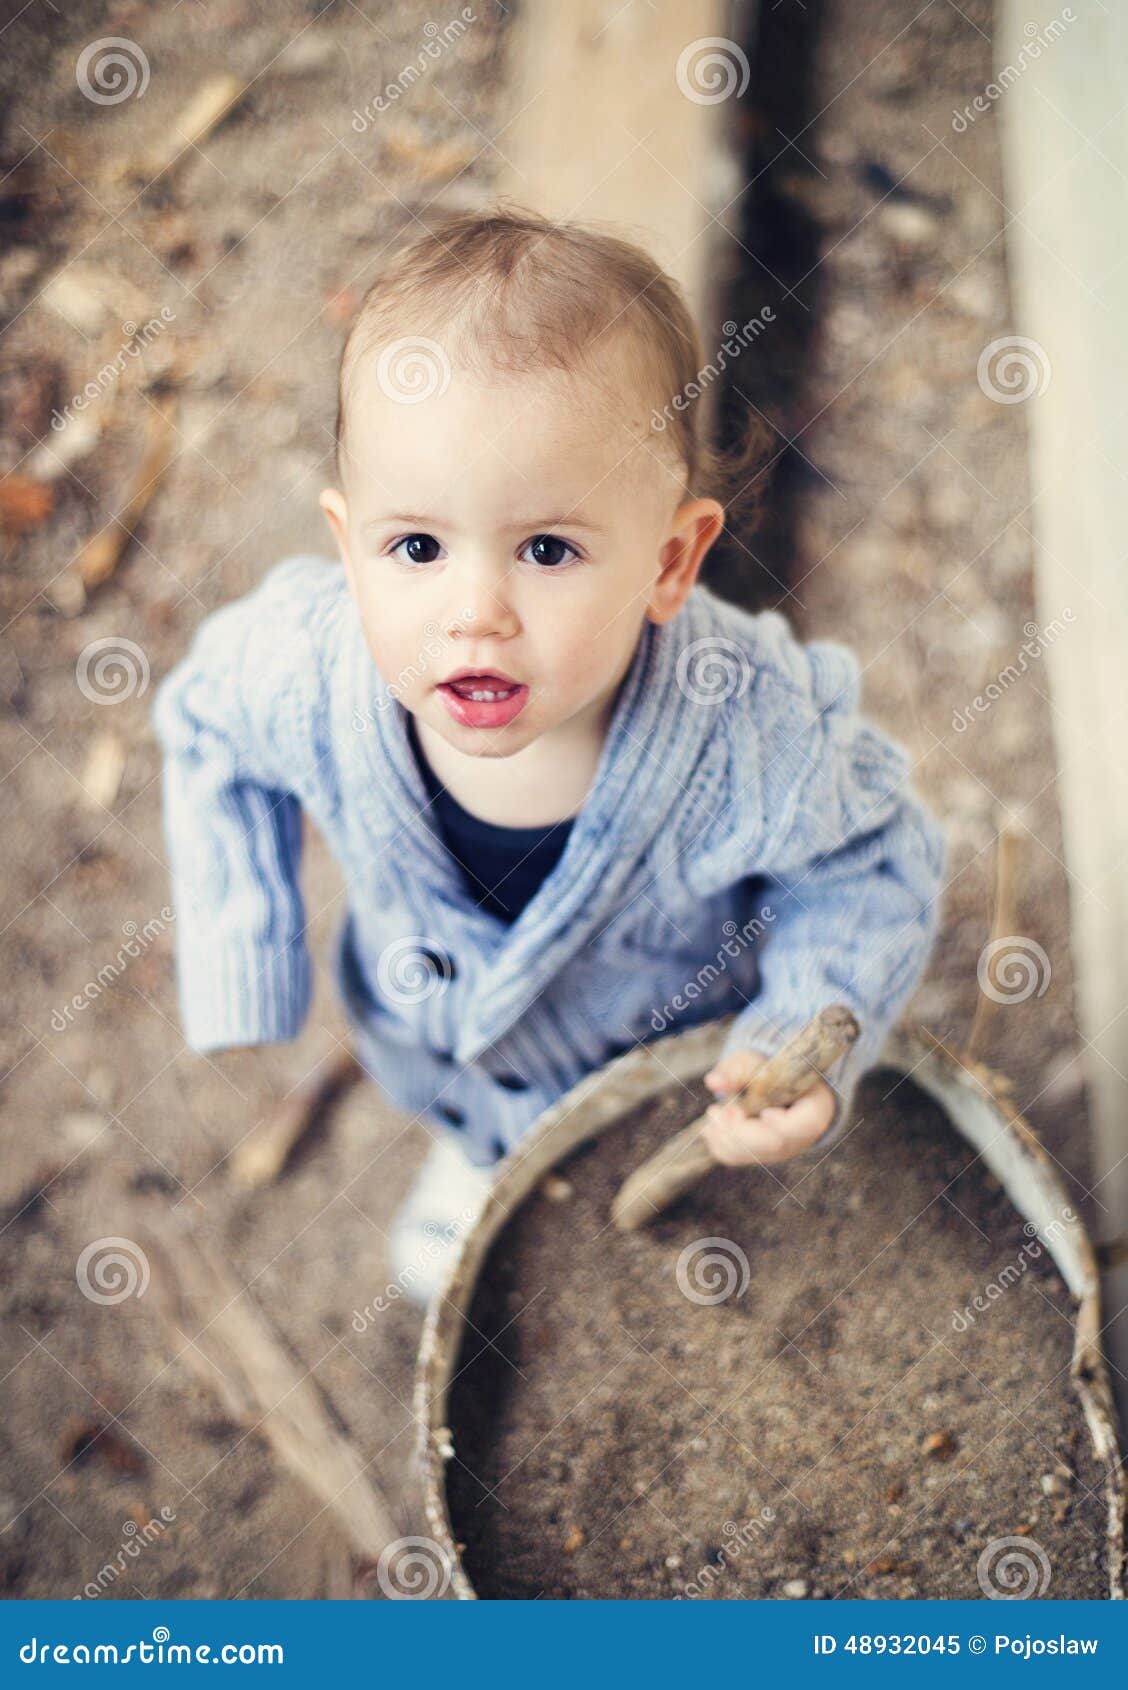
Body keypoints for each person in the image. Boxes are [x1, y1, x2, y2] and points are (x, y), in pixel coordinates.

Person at [153, 206, 947, 1304]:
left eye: (547, 548)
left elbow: (870, 861)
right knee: (474, 1114)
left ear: (671, 559)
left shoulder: (744, 724)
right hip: (442, 1048)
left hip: (660, 1053)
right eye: (418, 546)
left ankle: (628, 1208)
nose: (477, 613)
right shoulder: (303, 669)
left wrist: (801, 1029)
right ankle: (480, 1164)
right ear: (347, 550)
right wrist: (248, 938)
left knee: (661, 1226)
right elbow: (203, 723)